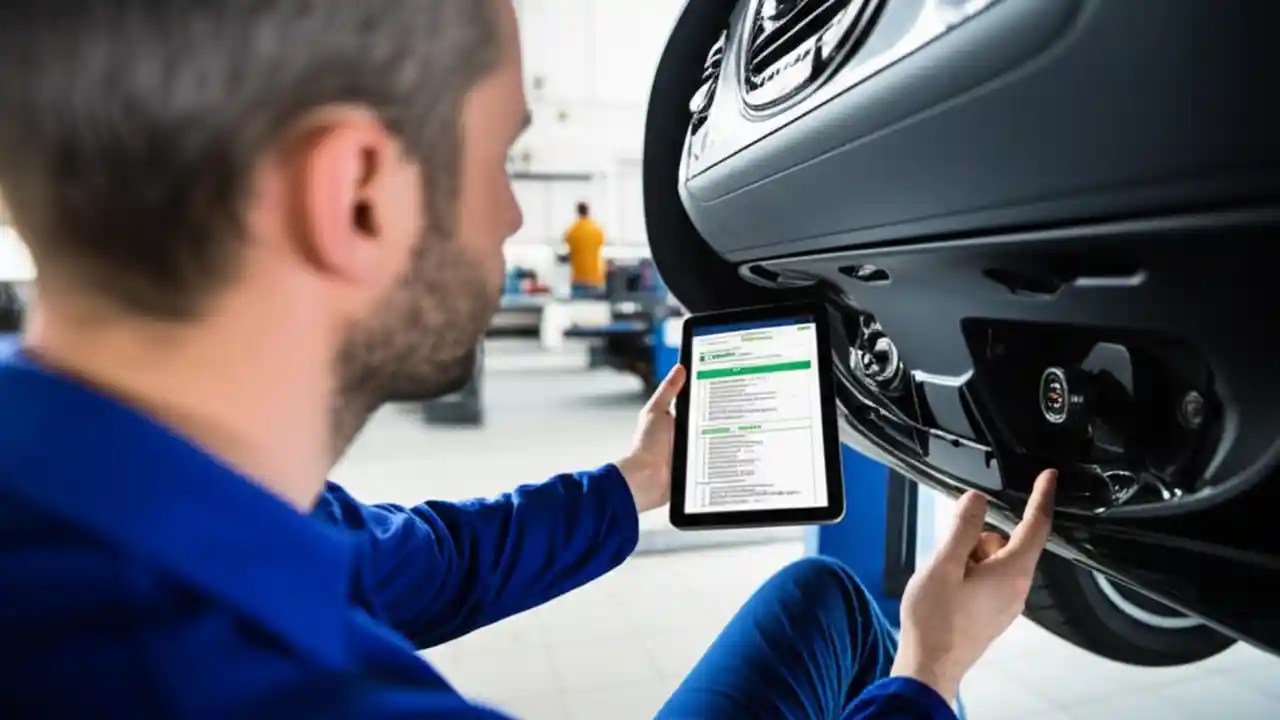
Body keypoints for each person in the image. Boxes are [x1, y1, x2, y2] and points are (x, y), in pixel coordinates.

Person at [0, 1, 1058, 718]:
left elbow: (425, 563)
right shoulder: (245, 684)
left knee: (820, 605)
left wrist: (637, 481)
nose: (511, 212)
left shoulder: (121, 493)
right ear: (356, 194)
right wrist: (928, 672)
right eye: (497, 155)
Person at [562, 201, 607, 298]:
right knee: (594, 310)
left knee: (577, 310)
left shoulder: (573, 229)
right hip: (595, 278)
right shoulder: (596, 229)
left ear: (577, 212)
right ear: (588, 211)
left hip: (578, 278)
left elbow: (565, 241)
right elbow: (601, 243)